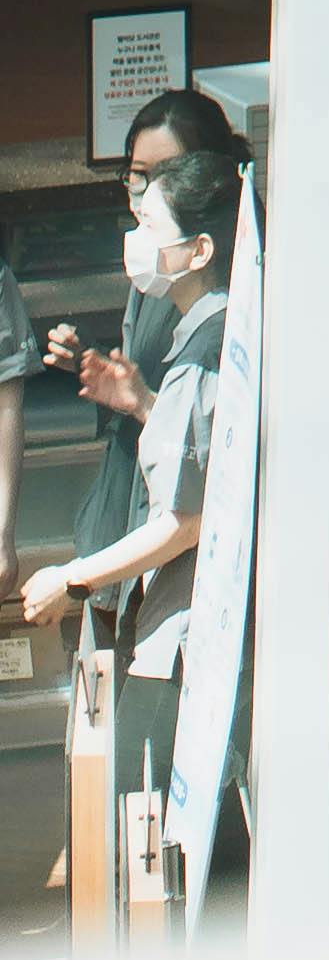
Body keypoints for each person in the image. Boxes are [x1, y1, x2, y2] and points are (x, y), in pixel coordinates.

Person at [14, 113, 240, 768]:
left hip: (188, 639)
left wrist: (72, 578)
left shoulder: (202, 354)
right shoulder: (222, 332)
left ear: (198, 250)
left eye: (150, 229)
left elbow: (183, 520)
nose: (135, 241)